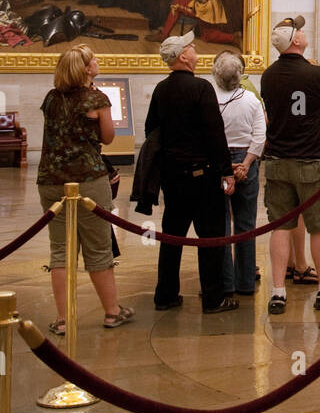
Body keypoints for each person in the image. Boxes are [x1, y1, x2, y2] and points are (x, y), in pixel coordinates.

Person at [36, 45, 133, 333]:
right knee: (98, 247)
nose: (98, 61)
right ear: (85, 69)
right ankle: (112, 312)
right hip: (88, 179)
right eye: (94, 60)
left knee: (60, 251)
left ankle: (64, 319)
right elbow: (108, 137)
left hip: (51, 180)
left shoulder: (51, 98)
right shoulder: (96, 98)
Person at [147, 32, 238, 315]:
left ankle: (165, 294)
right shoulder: (201, 88)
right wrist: (227, 171)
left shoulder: (161, 89)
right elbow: (215, 133)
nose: (195, 49)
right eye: (191, 47)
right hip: (203, 175)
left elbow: (152, 130)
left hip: (173, 177)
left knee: (171, 236)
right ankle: (213, 298)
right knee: (210, 238)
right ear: (183, 57)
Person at [261, 15, 320, 315]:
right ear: (295, 41)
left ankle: (278, 291)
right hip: (312, 160)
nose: (304, 33)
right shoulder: (316, 75)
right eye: (301, 31)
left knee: (280, 226)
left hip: (278, 160)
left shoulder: (268, 76)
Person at [210, 51, 266, 298]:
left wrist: (225, 167)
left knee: (221, 224)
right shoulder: (252, 100)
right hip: (247, 161)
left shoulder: (210, 98)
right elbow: (260, 136)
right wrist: (245, 163)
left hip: (219, 162)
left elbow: (208, 137)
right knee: (246, 224)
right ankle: (245, 282)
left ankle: (225, 282)